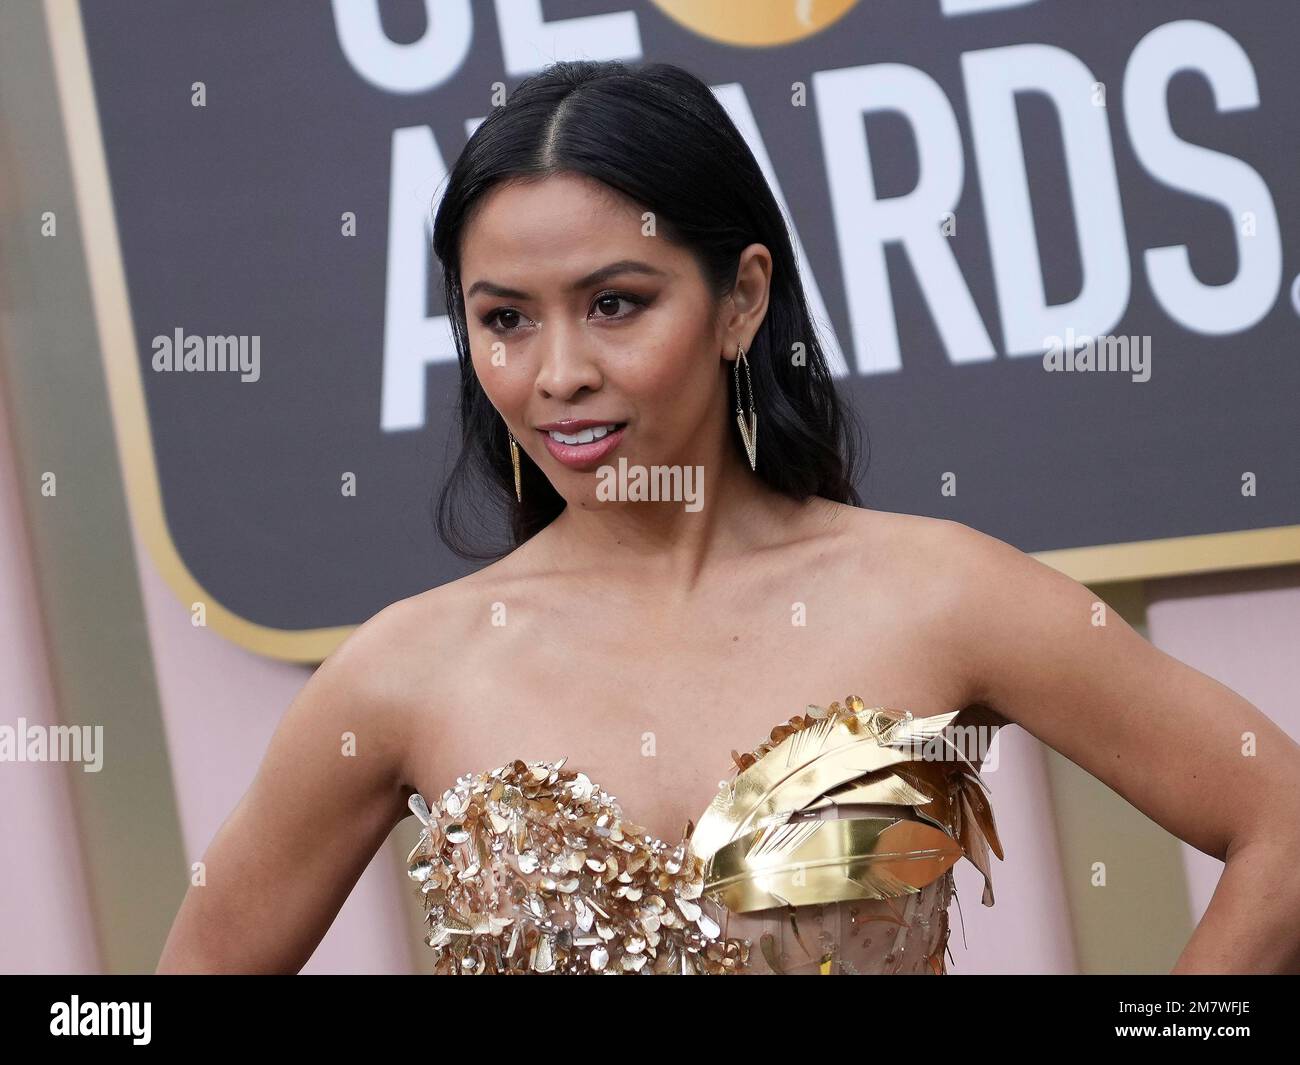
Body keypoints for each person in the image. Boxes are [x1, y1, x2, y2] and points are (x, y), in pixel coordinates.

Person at [156, 59, 1300, 975]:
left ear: (741, 297)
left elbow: (1284, 833)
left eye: (615, 305)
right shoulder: (406, 668)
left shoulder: (940, 594)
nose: (557, 373)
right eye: (504, 319)